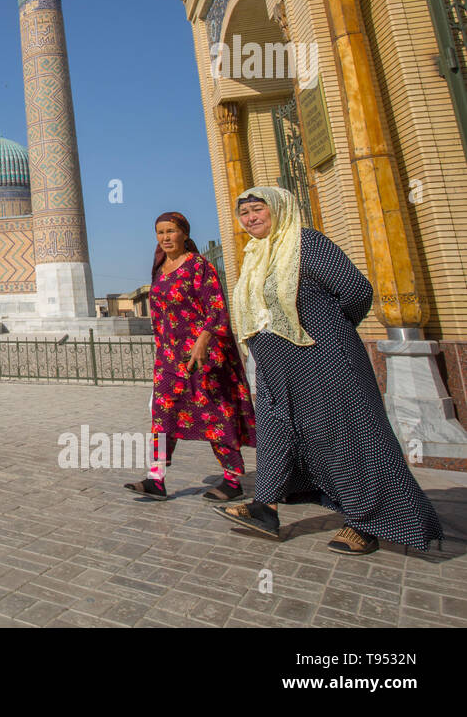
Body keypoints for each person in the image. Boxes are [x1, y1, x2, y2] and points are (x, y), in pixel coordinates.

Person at [214, 186, 443, 555]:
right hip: (278, 369)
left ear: (279, 210)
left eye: (258, 210)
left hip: (323, 361)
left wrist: (329, 330)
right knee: (277, 433)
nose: (251, 218)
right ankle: (265, 508)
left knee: (345, 436)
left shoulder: (307, 244)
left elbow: (355, 291)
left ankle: (365, 522)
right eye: (245, 213)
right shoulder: (256, 255)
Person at [125, 212, 255, 501]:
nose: (166, 238)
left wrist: (203, 342)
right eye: (160, 232)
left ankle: (233, 480)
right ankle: (155, 478)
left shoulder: (199, 266)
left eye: (171, 231)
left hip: (201, 358)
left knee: (216, 416)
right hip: (170, 359)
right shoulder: (161, 270)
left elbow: (217, 310)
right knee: (161, 417)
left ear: (184, 233)